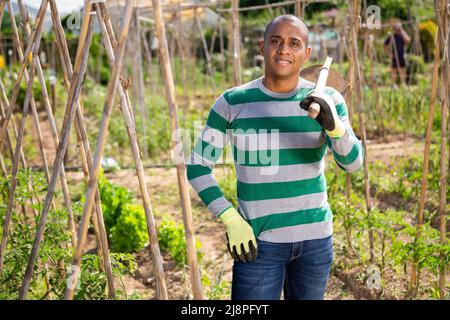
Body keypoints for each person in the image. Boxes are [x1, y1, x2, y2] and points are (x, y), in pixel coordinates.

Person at [186, 14, 364, 300]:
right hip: (258, 244)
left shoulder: (326, 100)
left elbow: (353, 163)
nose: (284, 49)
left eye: (294, 43)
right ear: (262, 47)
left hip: (315, 241)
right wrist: (231, 218)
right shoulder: (233, 102)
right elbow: (197, 166)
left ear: (306, 54)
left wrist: (334, 126)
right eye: (276, 41)